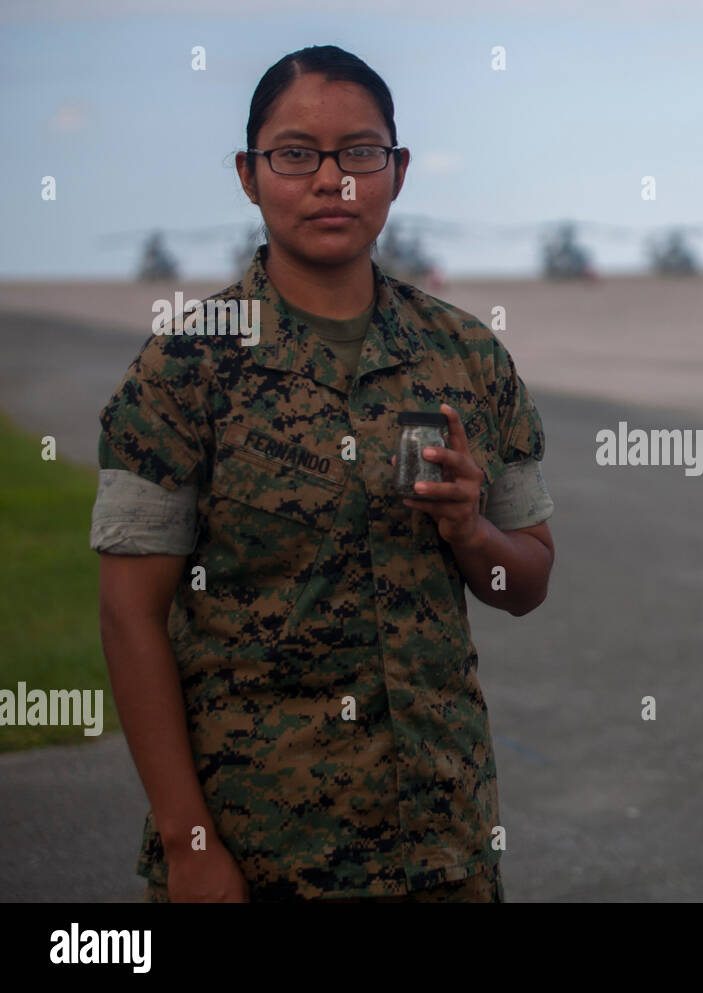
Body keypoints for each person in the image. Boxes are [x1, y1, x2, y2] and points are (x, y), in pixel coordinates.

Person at [90, 45, 556, 903]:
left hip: (443, 850)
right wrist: (190, 844)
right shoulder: (181, 370)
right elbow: (128, 619)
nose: (332, 180)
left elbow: (524, 581)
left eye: (361, 153)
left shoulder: (468, 358)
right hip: (261, 855)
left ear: (398, 170)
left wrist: (470, 531)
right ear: (249, 173)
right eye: (296, 153)